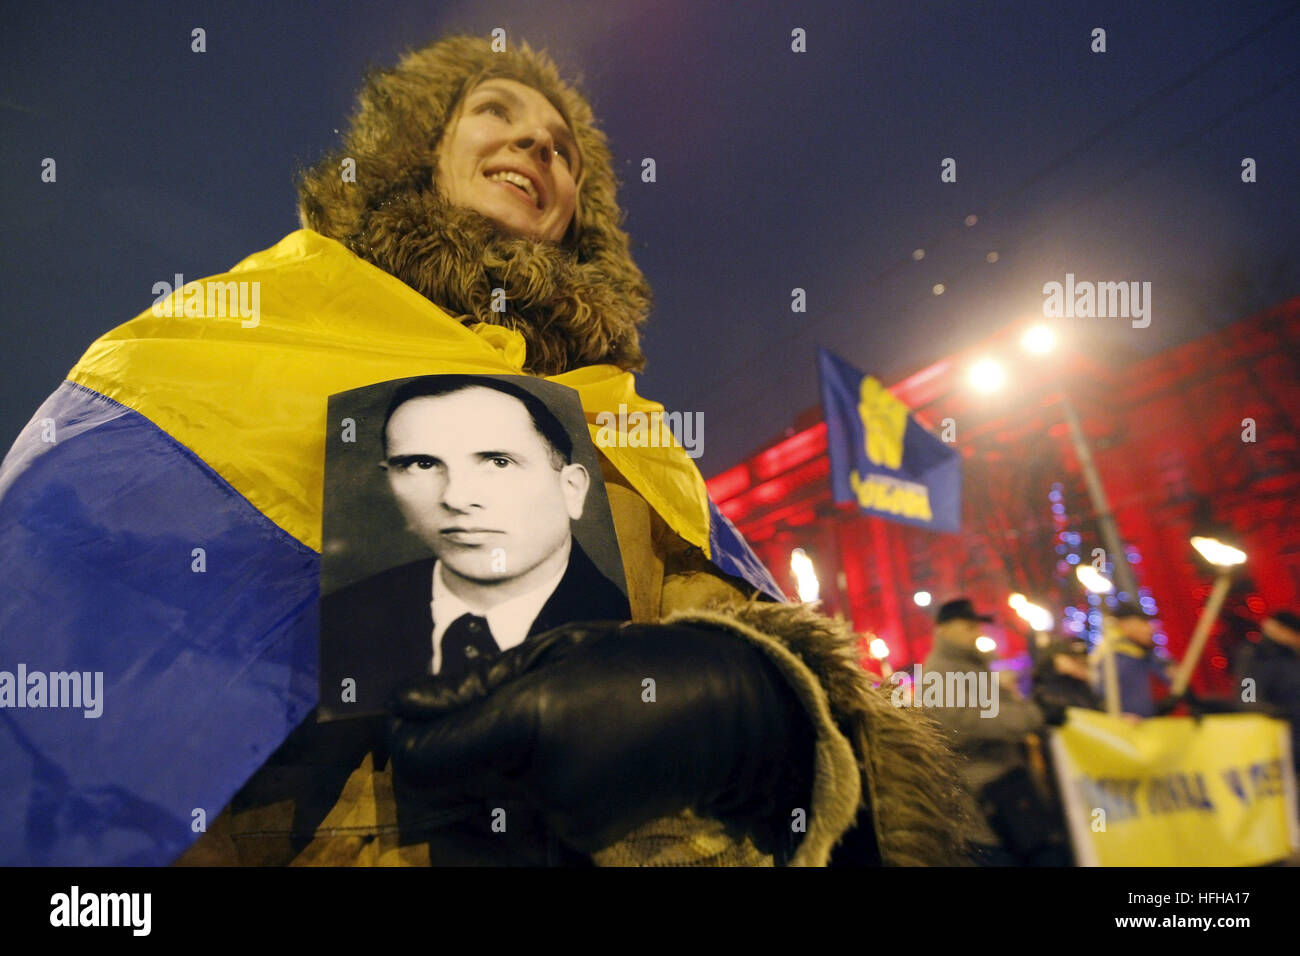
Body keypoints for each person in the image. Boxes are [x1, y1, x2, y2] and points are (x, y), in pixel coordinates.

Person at [0, 35, 976, 866]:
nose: (536, 143)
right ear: (411, 151)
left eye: (564, 149)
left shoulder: (621, 429)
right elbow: (64, 649)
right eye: (495, 110)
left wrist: (762, 723)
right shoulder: (224, 336)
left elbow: (853, 794)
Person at [319, 375, 629, 714]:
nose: (456, 498)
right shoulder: (340, 621)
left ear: (572, 489)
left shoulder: (631, 636)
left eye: (498, 461)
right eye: (421, 464)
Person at [923, 598, 1053, 864]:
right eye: (968, 627)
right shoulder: (938, 672)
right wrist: (1032, 714)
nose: (976, 633)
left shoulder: (975, 664)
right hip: (985, 794)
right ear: (943, 630)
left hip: (1008, 783)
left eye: (977, 627)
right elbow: (965, 722)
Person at [1236, 610, 1300, 771]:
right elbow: (1247, 697)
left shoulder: (1289, 656)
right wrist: (1275, 712)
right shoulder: (1255, 656)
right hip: (1283, 738)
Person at [1098, 602, 1171, 718]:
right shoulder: (1115, 659)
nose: (1150, 628)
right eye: (1143, 623)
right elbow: (1103, 695)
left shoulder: (1144, 654)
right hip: (1130, 729)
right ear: (1125, 625)